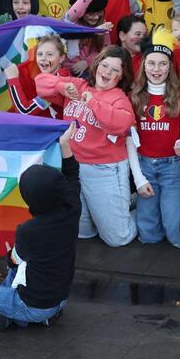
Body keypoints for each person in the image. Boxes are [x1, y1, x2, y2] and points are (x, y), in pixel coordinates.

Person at [0, 123, 78, 330]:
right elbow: (72, 175)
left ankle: (18, 317)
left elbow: (14, 261)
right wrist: (65, 144)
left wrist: (10, 255)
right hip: (60, 297)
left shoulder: (29, 231)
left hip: (34, 305)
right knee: (16, 274)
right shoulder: (72, 208)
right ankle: (35, 315)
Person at [36, 46, 138, 247]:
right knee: (83, 233)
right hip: (73, 168)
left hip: (104, 171)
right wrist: (63, 88)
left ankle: (145, 211)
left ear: (122, 76)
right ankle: (118, 205)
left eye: (115, 70)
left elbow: (122, 124)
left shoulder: (119, 98)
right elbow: (40, 81)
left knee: (118, 238)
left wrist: (93, 103)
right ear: (97, 64)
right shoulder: (80, 84)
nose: (107, 72)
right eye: (105, 65)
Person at [130, 27, 180, 249]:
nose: (156, 69)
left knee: (178, 238)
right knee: (148, 236)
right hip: (145, 166)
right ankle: (132, 204)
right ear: (143, 65)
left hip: (173, 167)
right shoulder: (135, 96)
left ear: (170, 67)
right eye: (151, 63)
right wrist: (138, 178)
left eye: (162, 64)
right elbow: (129, 139)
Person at [5, 34, 69, 118]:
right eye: (39, 54)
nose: (43, 58)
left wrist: (12, 80)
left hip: (57, 130)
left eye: (49, 54)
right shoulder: (59, 74)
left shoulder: (55, 85)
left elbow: (24, 111)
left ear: (61, 58)